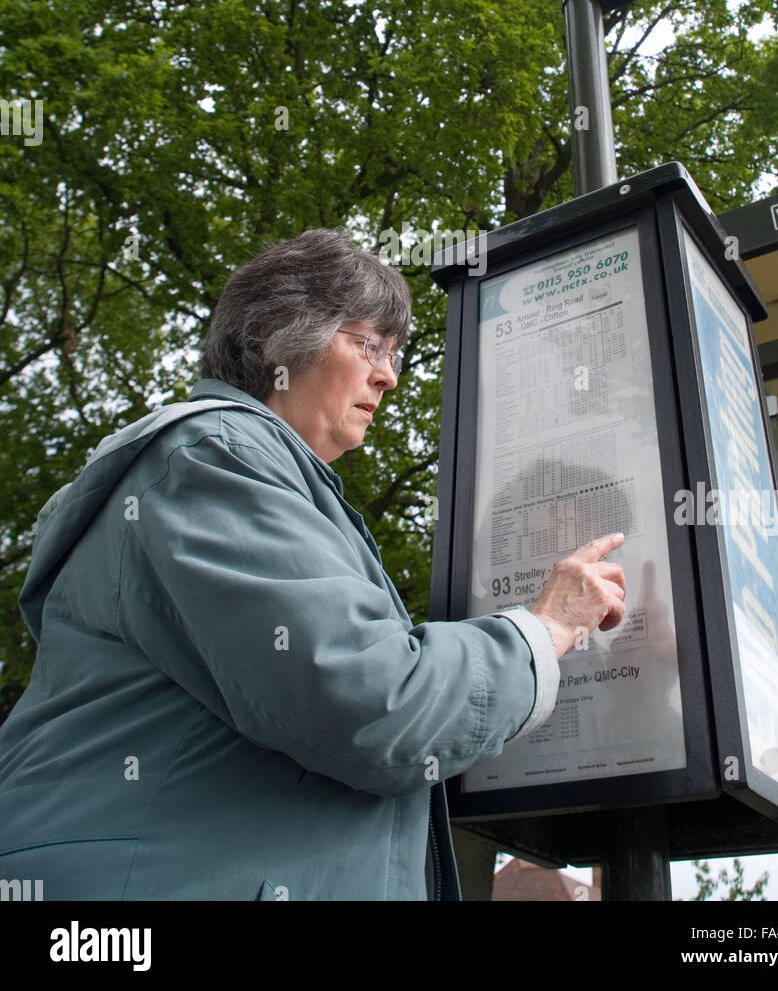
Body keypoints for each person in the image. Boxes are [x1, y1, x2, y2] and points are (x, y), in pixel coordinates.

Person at [0, 229, 625, 900]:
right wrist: (545, 630)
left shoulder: (240, 471)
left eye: (396, 354)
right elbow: (375, 703)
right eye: (370, 345)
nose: (390, 374)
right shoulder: (215, 458)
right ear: (276, 338)